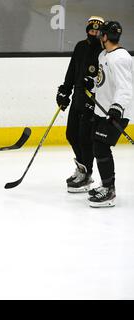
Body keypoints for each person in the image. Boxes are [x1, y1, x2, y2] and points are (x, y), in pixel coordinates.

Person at [84, 21, 132, 208]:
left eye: (101, 34)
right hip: (103, 110)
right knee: (98, 146)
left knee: (101, 147)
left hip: (116, 111)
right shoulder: (104, 54)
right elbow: (104, 80)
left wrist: (117, 107)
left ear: (105, 37)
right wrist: (93, 84)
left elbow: (125, 87)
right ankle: (106, 185)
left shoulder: (120, 58)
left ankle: (109, 190)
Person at [56, 16, 104, 193]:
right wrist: (64, 91)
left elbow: (104, 78)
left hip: (92, 101)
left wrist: (93, 83)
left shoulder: (103, 51)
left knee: (85, 138)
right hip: (77, 97)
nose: (95, 34)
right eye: (92, 31)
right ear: (87, 31)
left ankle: (87, 173)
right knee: (71, 134)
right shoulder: (80, 47)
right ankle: (82, 167)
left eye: (98, 32)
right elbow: (72, 71)